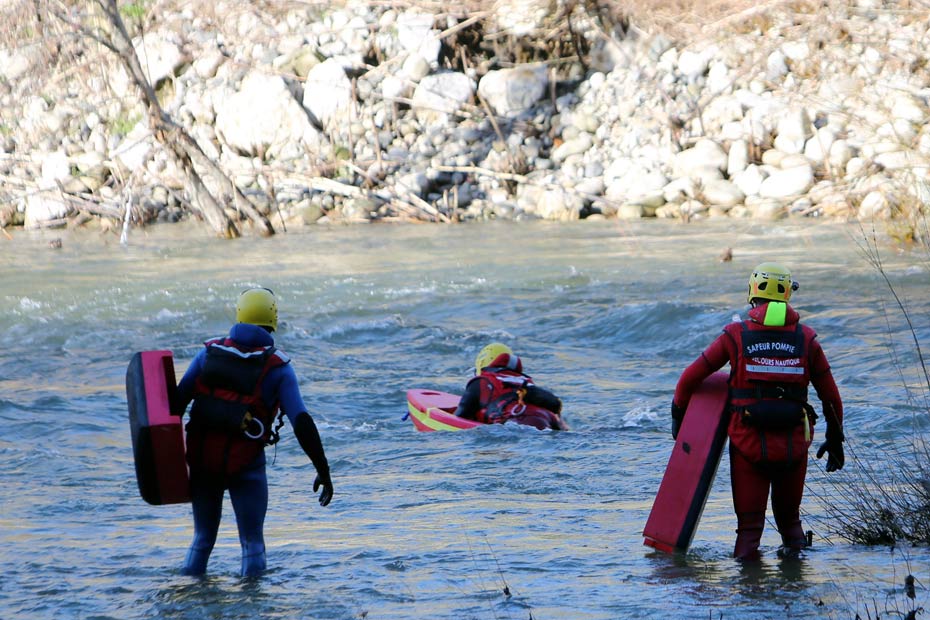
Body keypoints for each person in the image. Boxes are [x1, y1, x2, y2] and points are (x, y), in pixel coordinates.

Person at [671, 263, 844, 560]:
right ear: (788, 294)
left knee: (749, 531)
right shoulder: (807, 339)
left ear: (753, 292)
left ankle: (750, 600)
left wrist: (679, 419)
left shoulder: (735, 335)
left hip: (747, 444)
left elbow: (689, 378)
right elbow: (831, 398)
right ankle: (794, 587)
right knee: (791, 525)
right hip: (793, 445)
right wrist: (835, 438)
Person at [172, 287, 334, 577]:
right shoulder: (279, 367)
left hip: (202, 462)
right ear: (273, 319)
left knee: (202, 539)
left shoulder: (207, 353)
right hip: (246, 467)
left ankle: (189, 599)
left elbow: (175, 404)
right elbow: (302, 422)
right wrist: (324, 470)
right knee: (252, 544)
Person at [454, 342, 568, 430]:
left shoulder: (481, 381)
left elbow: (459, 418)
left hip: (517, 422)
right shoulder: (526, 381)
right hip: (547, 419)